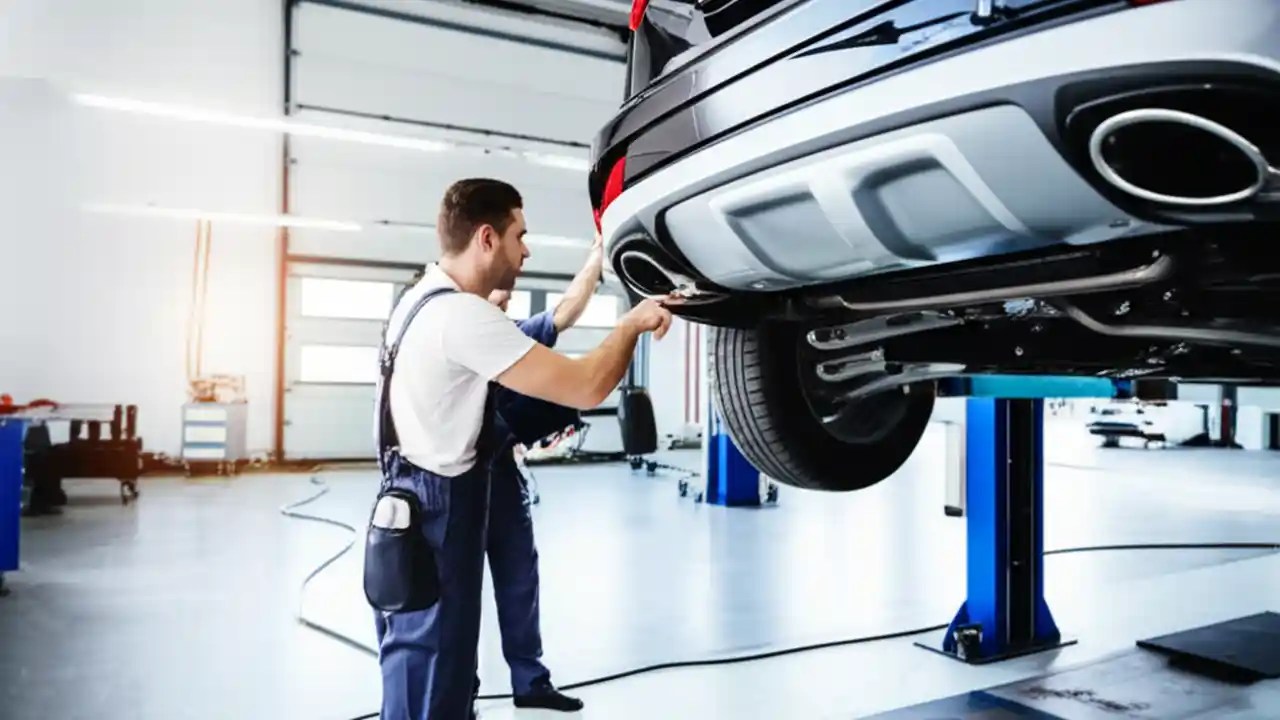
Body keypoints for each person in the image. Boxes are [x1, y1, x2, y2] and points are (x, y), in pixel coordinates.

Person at [373, 178, 672, 720]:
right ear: (487, 238)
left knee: (422, 661)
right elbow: (585, 386)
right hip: (442, 507)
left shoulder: (415, 302)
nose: (527, 249)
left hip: (405, 499)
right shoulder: (462, 316)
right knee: (436, 670)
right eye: (520, 235)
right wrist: (631, 324)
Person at [476, 231, 605, 712]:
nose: (505, 295)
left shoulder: (511, 337)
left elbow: (568, 309)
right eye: (496, 292)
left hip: (502, 477)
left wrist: (596, 256)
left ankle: (530, 682)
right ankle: (458, 685)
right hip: (457, 482)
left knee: (519, 579)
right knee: (460, 592)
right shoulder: (447, 330)